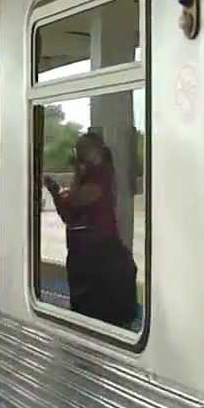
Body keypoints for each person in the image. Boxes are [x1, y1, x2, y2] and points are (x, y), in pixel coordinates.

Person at [42, 131, 137, 328]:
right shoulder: (85, 179)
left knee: (106, 311)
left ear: (97, 151)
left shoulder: (102, 175)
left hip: (102, 253)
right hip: (80, 255)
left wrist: (75, 178)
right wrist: (56, 194)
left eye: (84, 149)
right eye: (78, 150)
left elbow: (77, 199)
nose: (80, 154)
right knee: (83, 310)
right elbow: (68, 215)